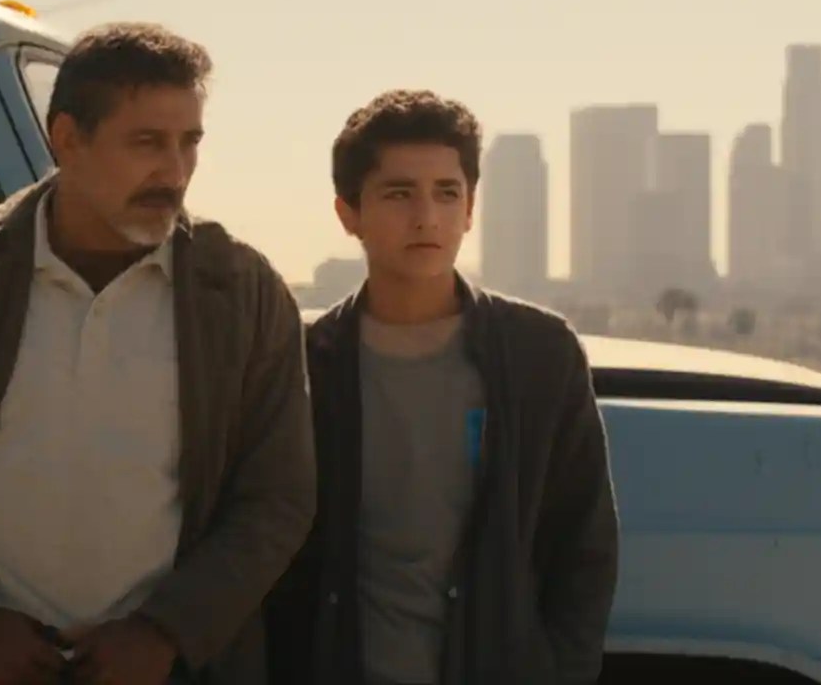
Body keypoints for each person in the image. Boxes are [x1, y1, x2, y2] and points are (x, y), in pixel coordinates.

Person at [0, 22, 316, 685]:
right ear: (67, 138)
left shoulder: (241, 291)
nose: (174, 172)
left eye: (190, 143)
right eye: (147, 142)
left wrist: (164, 632)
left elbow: (278, 496)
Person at [265, 89, 619, 685]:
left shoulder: (538, 354)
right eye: (399, 193)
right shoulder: (308, 362)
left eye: (447, 193)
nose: (427, 215)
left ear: (471, 208)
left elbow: (583, 549)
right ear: (348, 213)